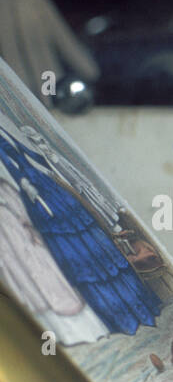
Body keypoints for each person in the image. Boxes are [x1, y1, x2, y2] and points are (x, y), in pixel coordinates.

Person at [0, 121, 160, 335]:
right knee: (82, 261)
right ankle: (118, 318)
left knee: (100, 252)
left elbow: (38, 160)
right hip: (39, 205)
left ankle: (138, 309)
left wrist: (41, 154)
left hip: (55, 194)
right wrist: (25, 185)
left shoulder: (11, 133)